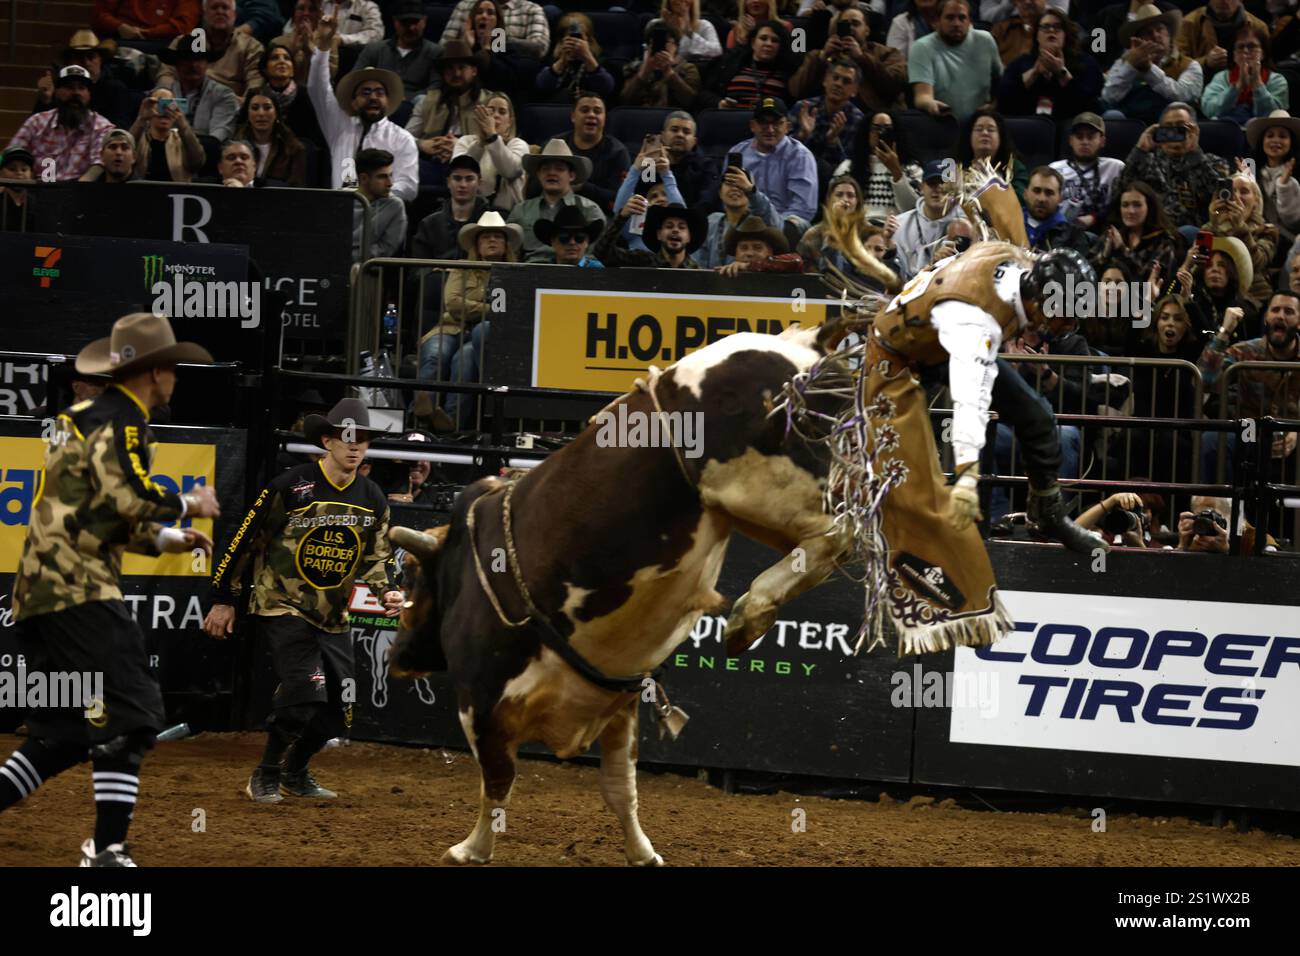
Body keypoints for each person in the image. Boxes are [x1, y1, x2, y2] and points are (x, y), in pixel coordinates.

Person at [0, 312, 220, 866]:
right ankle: (107, 850)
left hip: (46, 594)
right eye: (171, 367)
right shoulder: (122, 421)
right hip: (77, 590)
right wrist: (190, 503)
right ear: (155, 372)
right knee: (136, 710)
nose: (174, 377)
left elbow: (101, 510)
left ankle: (107, 846)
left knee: (70, 729)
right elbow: (129, 498)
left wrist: (168, 537)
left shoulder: (84, 418)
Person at [205, 398, 401, 803]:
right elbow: (244, 542)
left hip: (332, 614)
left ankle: (294, 772)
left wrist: (389, 592)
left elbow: (378, 558)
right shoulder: (290, 486)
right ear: (327, 441)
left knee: (339, 711)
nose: (354, 447)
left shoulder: (372, 497)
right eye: (347, 439)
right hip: (282, 605)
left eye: (362, 440)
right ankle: (265, 774)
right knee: (304, 691)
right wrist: (223, 597)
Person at [869, 243, 1108, 553]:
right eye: (1065, 316)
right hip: (899, 358)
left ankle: (1048, 512)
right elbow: (971, 401)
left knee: (1037, 417)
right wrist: (968, 480)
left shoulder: (1025, 270)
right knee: (910, 452)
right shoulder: (977, 319)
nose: (1069, 327)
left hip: (937, 337)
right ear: (1040, 302)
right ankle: (913, 526)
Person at [421, 211, 522, 425]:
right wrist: (490, 309)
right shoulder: (462, 267)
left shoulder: (516, 273)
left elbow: (511, 310)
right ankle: (418, 417)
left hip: (485, 338)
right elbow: (454, 304)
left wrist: (477, 308)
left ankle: (450, 423)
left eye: (498, 236)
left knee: (463, 363)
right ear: (477, 245)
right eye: (485, 237)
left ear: (506, 245)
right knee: (435, 355)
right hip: (450, 329)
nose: (492, 240)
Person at [308, 15, 417, 201]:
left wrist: (372, 192)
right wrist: (324, 45)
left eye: (379, 92)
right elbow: (317, 87)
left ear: (388, 101)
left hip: (380, 214)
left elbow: (409, 187)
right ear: (353, 102)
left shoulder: (401, 139)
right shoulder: (340, 126)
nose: (373, 97)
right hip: (339, 214)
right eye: (365, 92)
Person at [1197, 290, 1300, 481]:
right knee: (1213, 440)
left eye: (1289, 311)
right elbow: (1203, 379)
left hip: (1294, 431)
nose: (1281, 316)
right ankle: (1218, 508)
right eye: (1275, 310)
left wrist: (1298, 431)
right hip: (1251, 429)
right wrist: (1224, 332)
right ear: (1266, 318)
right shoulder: (1246, 351)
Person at [1120, 101, 1230, 231]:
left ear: (1194, 130)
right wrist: (1140, 150)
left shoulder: (1214, 163)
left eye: (1180, 128)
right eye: (1168, 128)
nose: (1173, 134)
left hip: (1200, 236)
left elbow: (1221, 201)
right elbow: (1122, 191)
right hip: (1153, 236)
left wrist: (1194, 153)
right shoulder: (1146, 162)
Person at [406, 41, 493, 194]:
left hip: (473, 167)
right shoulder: (428, 101)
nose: (456, 74)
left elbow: (500, 143)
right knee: (403, 164)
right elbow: (404, 138)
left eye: (462, 68)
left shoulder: (489, 102)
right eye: (450, 69)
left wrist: (461, 146)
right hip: (434, 164)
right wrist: (422, 144)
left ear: (474, 71)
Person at [788, 4, 906, 114]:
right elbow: (795, 90)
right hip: (825, 116)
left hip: (873, 117)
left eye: (855, 23)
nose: (850, 28)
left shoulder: (887, 53)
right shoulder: (819, 56)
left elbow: (895, 86)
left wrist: (862, 58)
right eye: (845, 24)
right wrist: (822, 57)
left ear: (867, 31)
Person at [8, 66, 118, 182]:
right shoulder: (37, 122)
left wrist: (77, 189)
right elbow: (10, 154)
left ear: (89, 95)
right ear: (57, 92)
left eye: (81, 88)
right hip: (36, 191)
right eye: (69, 87)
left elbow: (99, 163)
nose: (76, 93)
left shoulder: (102, 127)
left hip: (81, 192)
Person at [1099, 3, 1203, 125]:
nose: (1155, 35)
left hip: (1173, 125)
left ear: (1169, 34)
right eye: (1148, 33)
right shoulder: (1123, 62)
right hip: (1131, 124)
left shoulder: (1190, 65)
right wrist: (1131, 67)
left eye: (1159, 29)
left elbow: (1181, 96)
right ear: (1139, 40)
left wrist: (1149, 69)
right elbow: (1108, 96)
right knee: (1112, 115)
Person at [508, 138, 606, 262]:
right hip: (530, 274)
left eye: (559, 169)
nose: (552, 173)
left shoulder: (590, 209)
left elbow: (597, 254)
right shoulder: (521, 211)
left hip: (577, 275)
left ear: (572, 175)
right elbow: (509, 253)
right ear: (538, 174)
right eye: (546, 169)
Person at [729, 96, 818, 234]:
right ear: (753, 126)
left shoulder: (800, 156)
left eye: (776, 123)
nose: (770, 130)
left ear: (787, 126)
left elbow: (803, 209)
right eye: (763, 123)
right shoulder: (737, 152)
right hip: (744, 228)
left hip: (786, 230)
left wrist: (773, 228)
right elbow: (728, 195)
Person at [798, 174, 901, 291]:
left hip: (863, 292)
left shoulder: (869, 232)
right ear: (830, 200)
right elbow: (805, 271)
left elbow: (884, 271)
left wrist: (887, 242)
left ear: (857, 202)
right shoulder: (814, 234)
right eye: (839, 195)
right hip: (821, 291)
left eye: (850, 195)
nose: (845, 199)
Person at [997, 8, 1102, 122]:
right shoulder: (1021, 63)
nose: (1051, 30)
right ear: (1037, 35)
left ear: (1065, 34)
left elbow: (1091, 105)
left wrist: (1062, 73)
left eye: (1057, 27)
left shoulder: (1085, 62)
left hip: (1072, 128)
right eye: (1045, 27)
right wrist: (1034, 73)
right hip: (1028, 127)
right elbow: (1004, 101)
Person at [909, 0, 1002, 122]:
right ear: (936, 21)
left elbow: (1001, 82)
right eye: (950, 17)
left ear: (969, 21)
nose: (956, 23)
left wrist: (995, 105)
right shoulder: (921, 47)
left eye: (962, 18)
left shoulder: (985, 41)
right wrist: (930, 104)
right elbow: (922, 96)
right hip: (942, 123)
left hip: (979, 125)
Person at [157, 0, 265, 98]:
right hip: (185, 105)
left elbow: (254, 85)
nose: (220, 12)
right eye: (214, 8)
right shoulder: (184, 41)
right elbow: (167, 73)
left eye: (225, 8)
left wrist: (243, 104)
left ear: (234, 15)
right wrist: (165, 91)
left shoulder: (251, 47)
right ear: (204, 14)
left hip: (231, 108)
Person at [1202, 171, 1277, 308]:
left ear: (1256, 201)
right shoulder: (1208, 228)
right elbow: (1199, 260)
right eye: (1232, 190)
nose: (1236, 197)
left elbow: (1258, 263)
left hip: (1252, 299)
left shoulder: (1267, 231)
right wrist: (1214, 225)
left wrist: (1241, 228)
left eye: (1244, 191)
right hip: (1212, 296)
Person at [33, 31, 133, 131]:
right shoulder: (59, 87)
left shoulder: (115, 89)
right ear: (69, 62)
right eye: (79, 57)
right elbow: (35, 129)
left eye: (91, 57)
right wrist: (45, 101)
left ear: (100, 60)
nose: (86, 63)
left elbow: (121, 129)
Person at [351, 0, 439, 108]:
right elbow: (354, 79)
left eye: (415, 22)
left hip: (415, 106)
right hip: (377, 104)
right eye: (405, 23)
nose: (411, 28)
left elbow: (435, 87)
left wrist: (406, 98)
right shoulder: (374, 49)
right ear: (395, 22)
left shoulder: (435, 52)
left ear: (424, 21)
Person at [787, 58, 864, 182]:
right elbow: (782, 152)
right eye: (835, 78)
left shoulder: (858, 120)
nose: (838, 84)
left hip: (834, 183)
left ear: (855, 91)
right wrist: (803, 135)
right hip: (796, 173)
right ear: (825, 81)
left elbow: (850, 169)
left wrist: (833, 141)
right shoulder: (803, 108)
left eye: (846, 81)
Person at [155, 33, 241, 145]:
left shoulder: (223, 95)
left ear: (207, 64)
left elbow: (216, 139)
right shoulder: (162, 95)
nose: (193, 65)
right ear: (176, 64)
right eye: (187, 59)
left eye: (199, 59)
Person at [1095, 179, 1184, 282]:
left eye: (1137, 205)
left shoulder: (1163, 241)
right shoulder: (1113, 234)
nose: (1131, 211)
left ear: (1149, 208)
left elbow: (1150, 280)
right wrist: (1104, 255)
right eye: (1125, 205)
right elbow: (1086, 272)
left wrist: (1123, 250)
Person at [1049, 112, 1124, 232]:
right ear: (1071, 141)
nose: (1085, 141)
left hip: (1105, 231)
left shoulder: (1115, 167)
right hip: (1063, 232)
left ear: (1102, 141)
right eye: (1079, 136)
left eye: (1091, 137)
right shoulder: (1055, 169)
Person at [452, 93, 528, 212]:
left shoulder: (518, 144)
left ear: (510, 122)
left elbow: (511, 171)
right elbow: (459, 171)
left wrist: (492, 137)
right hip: (471, 213)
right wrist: (481, 143)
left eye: (502, 112)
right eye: (491, 110)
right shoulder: (465, 142)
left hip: (508, 216)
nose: (496, 115)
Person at [1199, 22, 1288, 122]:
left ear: (1263, 53)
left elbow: (1276, 116)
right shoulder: (1221, 77)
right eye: (1240, 47)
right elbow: (1209, 110)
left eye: (1252, 46)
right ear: (1234, 55)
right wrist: (1237, 87)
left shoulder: (1277, 80)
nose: (1245, 51)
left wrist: (1257, 84)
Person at [892, 159, 966, 279]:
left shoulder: (967, 226)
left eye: (945, 183)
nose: (939, 188)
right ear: (922, 188)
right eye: (932, 183)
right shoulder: (899, 225)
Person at [556, 93, 629, 214]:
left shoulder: (617, 152)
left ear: (604, 118)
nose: (591, 115)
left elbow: (619, 198)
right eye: (584, 110)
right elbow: (534, 189)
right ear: (573, 116)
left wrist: (582, 187)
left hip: (601, 217)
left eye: (597, 111)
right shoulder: (556, 144)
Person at [699, 162, 781, 268]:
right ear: (719, 192)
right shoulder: (711, 221)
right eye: (729, 183)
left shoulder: (759, 221)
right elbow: (699, 264)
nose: (735, 188)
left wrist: (750, 190)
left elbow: (773, 222)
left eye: (740, 185)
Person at [846, 112, 920, 226]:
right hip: (858, 228)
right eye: (876, 128)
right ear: (867, 133)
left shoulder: (912, 169)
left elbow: (915, 209)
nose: (881, 133)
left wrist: (897, 173)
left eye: (887, 129)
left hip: (895, 228)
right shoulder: (848, 167)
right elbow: (835, 205)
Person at [411, 154, 489, 260]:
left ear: (479, 182)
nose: (463, 185)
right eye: (457, 178)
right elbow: (417, 270)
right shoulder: (430, 224)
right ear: (448, 182)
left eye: (469, 179)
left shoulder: (492, 222)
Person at [709, 19, 796, 110]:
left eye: (774, 40)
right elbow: (704, 94)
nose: (768, 44)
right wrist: (719, 102)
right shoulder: (730, 65)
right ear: (753, 43)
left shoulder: (786, 74)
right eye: (763, 38)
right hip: (732, 120)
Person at [593, 201, 706, 269]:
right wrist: (622, 217)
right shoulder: (642, 261)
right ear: (659, 235)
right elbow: (602, 253)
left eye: (681, 227)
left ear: (689, 237)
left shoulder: (698, 273)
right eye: (669, 226)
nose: (675, 230)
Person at [1177, 0, 1268, 81]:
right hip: (1202, 86)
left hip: (1249, 86)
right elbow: (1176, 65)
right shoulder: (1189, 23)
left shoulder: (1258, 27)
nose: (1223, 1)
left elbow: (1269, 65)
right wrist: (1205, 62)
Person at [128, 87, 205, 182]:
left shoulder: (182, 140)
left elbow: (197, 162)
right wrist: (141, 119)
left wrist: (183, 125)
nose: (164, 110)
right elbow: (126, 150)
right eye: (159, 103)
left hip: (177, 194)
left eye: (169, 104)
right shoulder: (140, 138)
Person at [1247, 110, 1300, 247]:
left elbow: (1293, 222)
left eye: (1282, 136)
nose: (1276, 140)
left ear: (1291, 142)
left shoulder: (1296, 174)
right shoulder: (1252, 171)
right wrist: (1247, 184)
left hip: (1288, 241)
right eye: (1270, 136)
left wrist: (1284, 185)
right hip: (1255, 235)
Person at [233, 86, 306, 185]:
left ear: (276, 113)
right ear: (247, 114)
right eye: (255, 108)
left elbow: (296, 190)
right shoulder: (235, 146)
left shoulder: (293, 149)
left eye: (267, 108)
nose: (261, 113)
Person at [622, 21, 703, 110]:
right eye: (655, 43)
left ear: (676, 46)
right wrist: (645, 71)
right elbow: (625, 100)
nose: (662, 46)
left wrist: (670, 73)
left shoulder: (688, 68)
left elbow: (691, 102)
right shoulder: (634, 67)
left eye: (667, 42)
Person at [536, 13, 614, 102]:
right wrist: (562, 60)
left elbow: (607, 88)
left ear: (588, 39)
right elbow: (542, 86)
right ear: (561, 40)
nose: (575, 42)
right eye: (570, 37)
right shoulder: (552, 61)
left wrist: (587, 57)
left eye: (579, 37)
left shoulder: (601, 61)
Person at [439, 0, 550, 61]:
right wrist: (466, 46)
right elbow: (443, 48)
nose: (484, 16)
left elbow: (539, 49)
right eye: (479, 12)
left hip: (508, 77)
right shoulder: (464, 6)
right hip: (464, 72)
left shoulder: (531, 9)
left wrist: (497, 39)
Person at [957, 108, 1028, 202]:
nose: (985, 133)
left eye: (991, 130)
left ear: (1000, 138)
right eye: (979, 129)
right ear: (969, 136)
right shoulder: (953, 164)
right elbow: (944, 198)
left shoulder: (1015, 167)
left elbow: (1020, 198)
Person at [1023, 165, 1098, 253]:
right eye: (1036, 191)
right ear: (1025, 194)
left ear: (1060, 198)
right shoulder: (1008, 223)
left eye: (1049, 193)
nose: (1042, 199)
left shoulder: (1073, 237)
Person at [353, 147, 406, 261]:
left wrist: (347, 257)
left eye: (391, 175)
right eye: (382, 177)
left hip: (370, 270)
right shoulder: (341, 200)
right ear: (363, 178)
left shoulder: (395, 206)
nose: (390, 183)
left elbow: (385, 249)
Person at [661, 111, 718, 211]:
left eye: (686, 132)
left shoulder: (706, 166)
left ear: (694, 141)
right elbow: (642, 193)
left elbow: (706, 202)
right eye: (674, 130)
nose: (680, 135)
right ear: (663, 136)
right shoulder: (650, 163)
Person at [715, 215, 804, 274]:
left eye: (757, 247)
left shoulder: (781, 269)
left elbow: (796, 261)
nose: (749, 253)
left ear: (770, 251)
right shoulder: (725, 275)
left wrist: (749, 266)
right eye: (743, 248)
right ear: (736, 252)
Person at [92, 0, 200, 47]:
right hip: (119, 41)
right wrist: (120, 27)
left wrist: (149, 32)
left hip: (163, 46)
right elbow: (99, 16)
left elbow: (184, 25)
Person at [535, 204, 605, 266]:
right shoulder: (542, 270)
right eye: (564, 238)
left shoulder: (598, 270)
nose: (572, 242)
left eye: (579, 238)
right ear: (553, 242)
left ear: (587, 242)